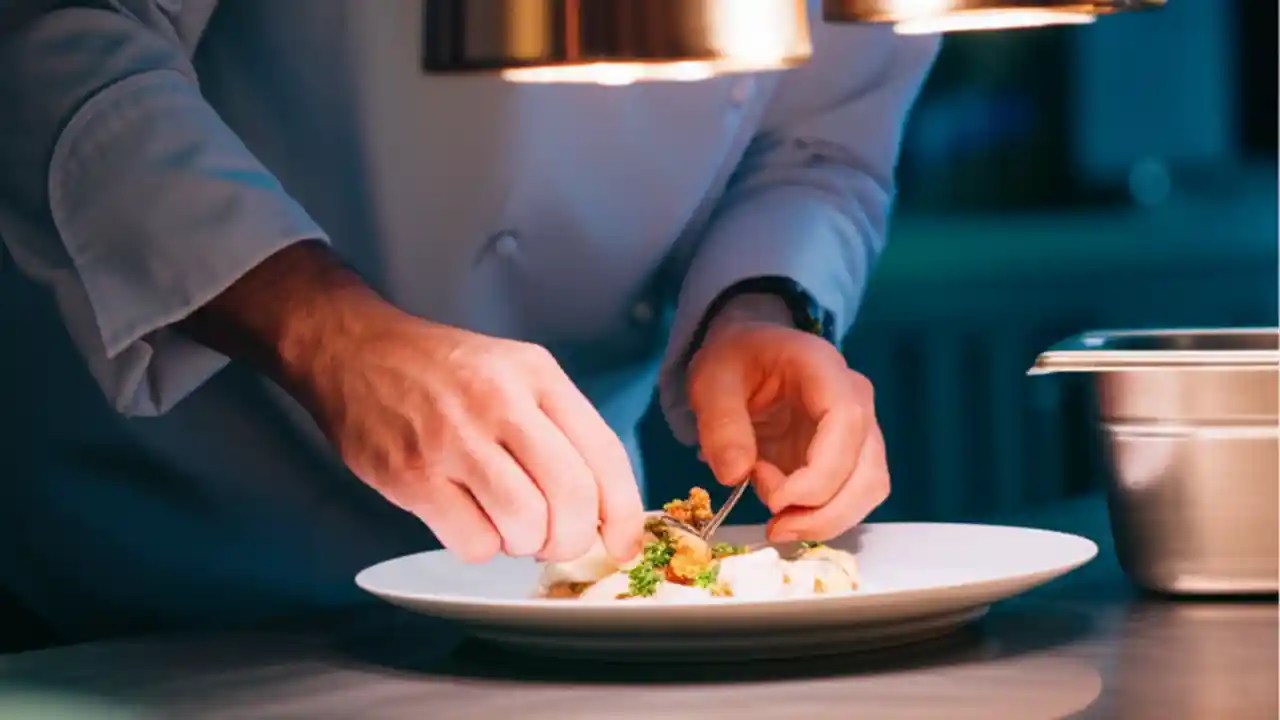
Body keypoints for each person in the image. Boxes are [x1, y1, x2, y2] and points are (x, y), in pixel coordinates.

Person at [0, 0, 938, 642]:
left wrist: (762, 308)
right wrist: (326, 330)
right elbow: (56, 40)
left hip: (552, 583)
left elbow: (823, 144)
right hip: (155, 555)